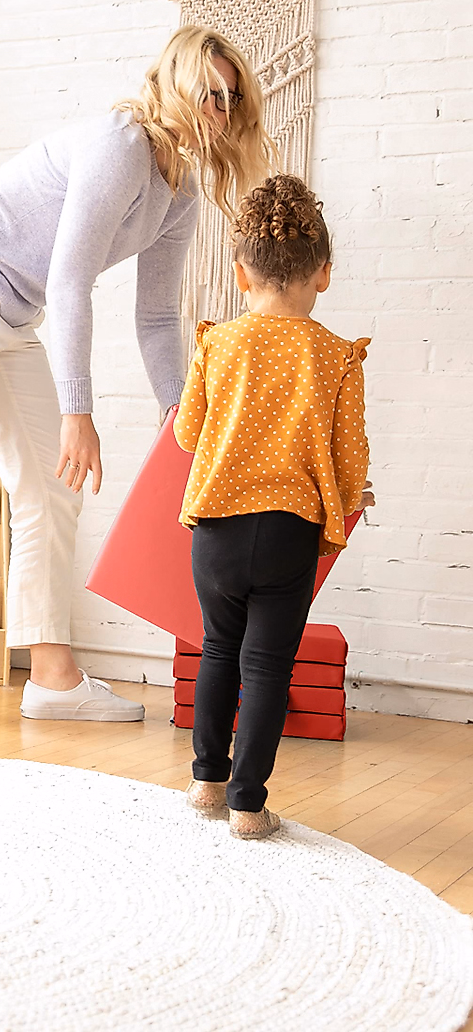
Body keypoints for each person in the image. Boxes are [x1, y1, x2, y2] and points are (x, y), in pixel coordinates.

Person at [0, 26, 275, 718]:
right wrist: (77, 411)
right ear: (175, 85)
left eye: (231, 99)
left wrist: (180, 418)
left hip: (9, 315)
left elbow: (158, 316)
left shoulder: (181, 191)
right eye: (209, 93)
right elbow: (69, 280)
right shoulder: (120, 144)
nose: (220, 110)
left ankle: (52, 678)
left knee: (53, 487)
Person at [176, 174, 373, 839]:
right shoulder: (336, 356)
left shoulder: (216, 344)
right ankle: (247, 807)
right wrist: (352, 497)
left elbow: (186, 435)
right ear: (323, 274)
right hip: (288, 534)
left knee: (217, 650)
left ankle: (206, 781)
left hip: (216, 531)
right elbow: (349, 457)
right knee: (266, 667)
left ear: (240, 274)